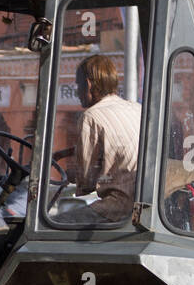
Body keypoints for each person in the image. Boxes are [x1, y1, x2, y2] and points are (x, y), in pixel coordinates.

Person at [51, 54, 141, 224]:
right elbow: (117, 145)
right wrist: (66, 153)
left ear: (88, 84)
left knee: (52, 225)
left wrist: (70, 174)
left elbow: (86, 182)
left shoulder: (91, 117)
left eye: (78, 85)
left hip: (117, 207)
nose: (77, 91)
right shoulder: (136, 108)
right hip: (139, 205)